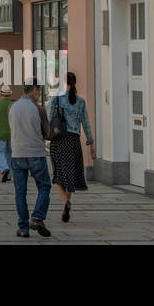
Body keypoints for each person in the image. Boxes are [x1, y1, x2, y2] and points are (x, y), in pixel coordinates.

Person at [47, 72, 95, 223]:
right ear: (75, 82)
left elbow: (48, 119)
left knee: (57, 175)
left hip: (59, 141)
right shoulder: (80, 102)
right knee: (70, 175)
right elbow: (86, 123)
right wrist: (91, 143)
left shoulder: (56, 99)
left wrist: (46, 137)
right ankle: (65, 205)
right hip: (74, 141)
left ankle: (64, 202)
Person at [9, 82, 52, 237]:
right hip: (35, 153)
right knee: (44, 186)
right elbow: (47, 132)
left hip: (17, 154)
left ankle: (23, 227)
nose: (39, 95)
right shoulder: (38, 108)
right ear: (34, 91)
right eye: (38, 92)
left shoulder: (12, 107)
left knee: (20, 192)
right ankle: (37, 217)